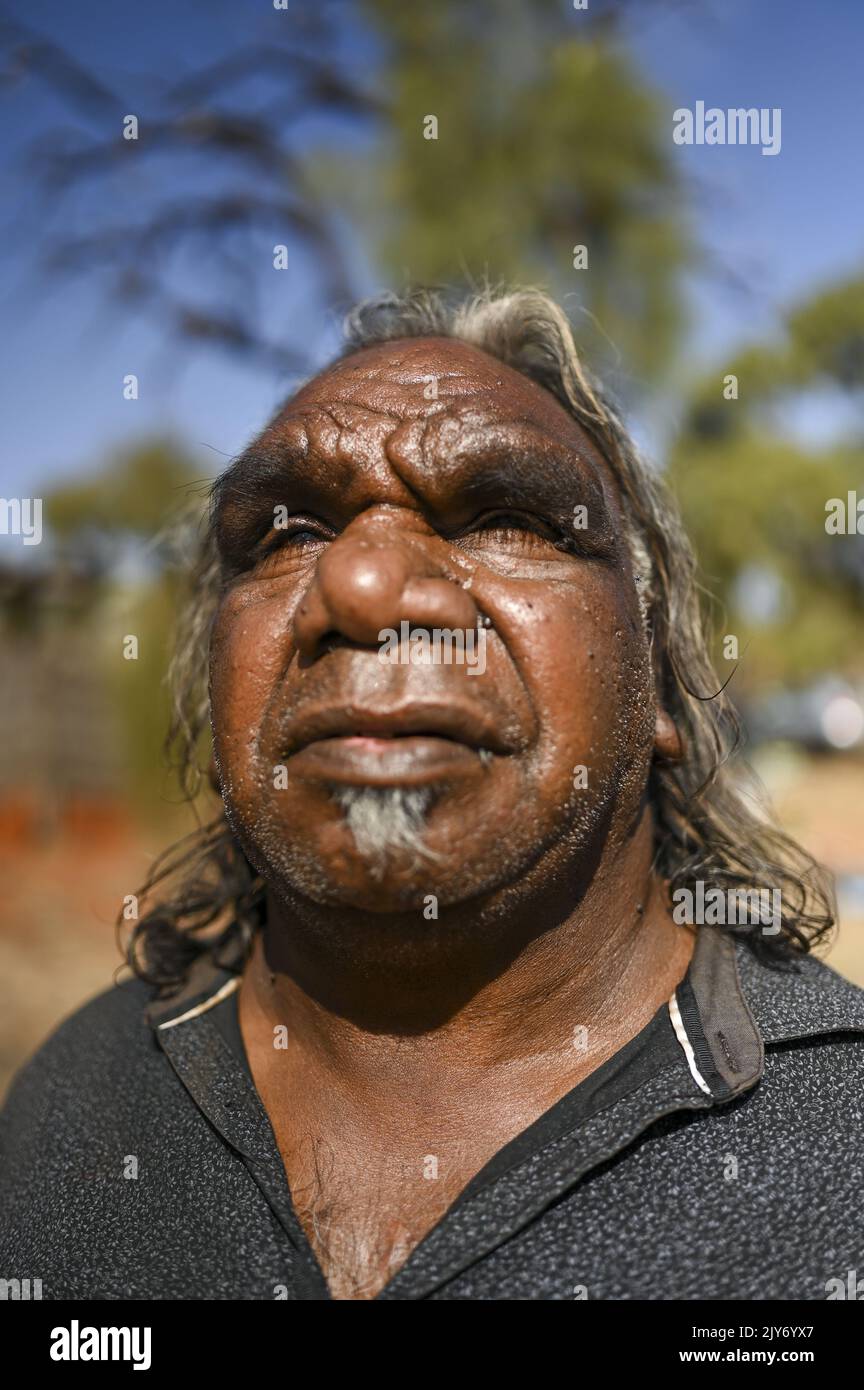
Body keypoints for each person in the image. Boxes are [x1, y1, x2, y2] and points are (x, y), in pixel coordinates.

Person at [2, 288, 862, 1302]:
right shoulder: (74, 1102)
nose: (361, 586)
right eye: (286, 533)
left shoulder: (840, 1143)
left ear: (661, 686)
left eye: (505, 516)